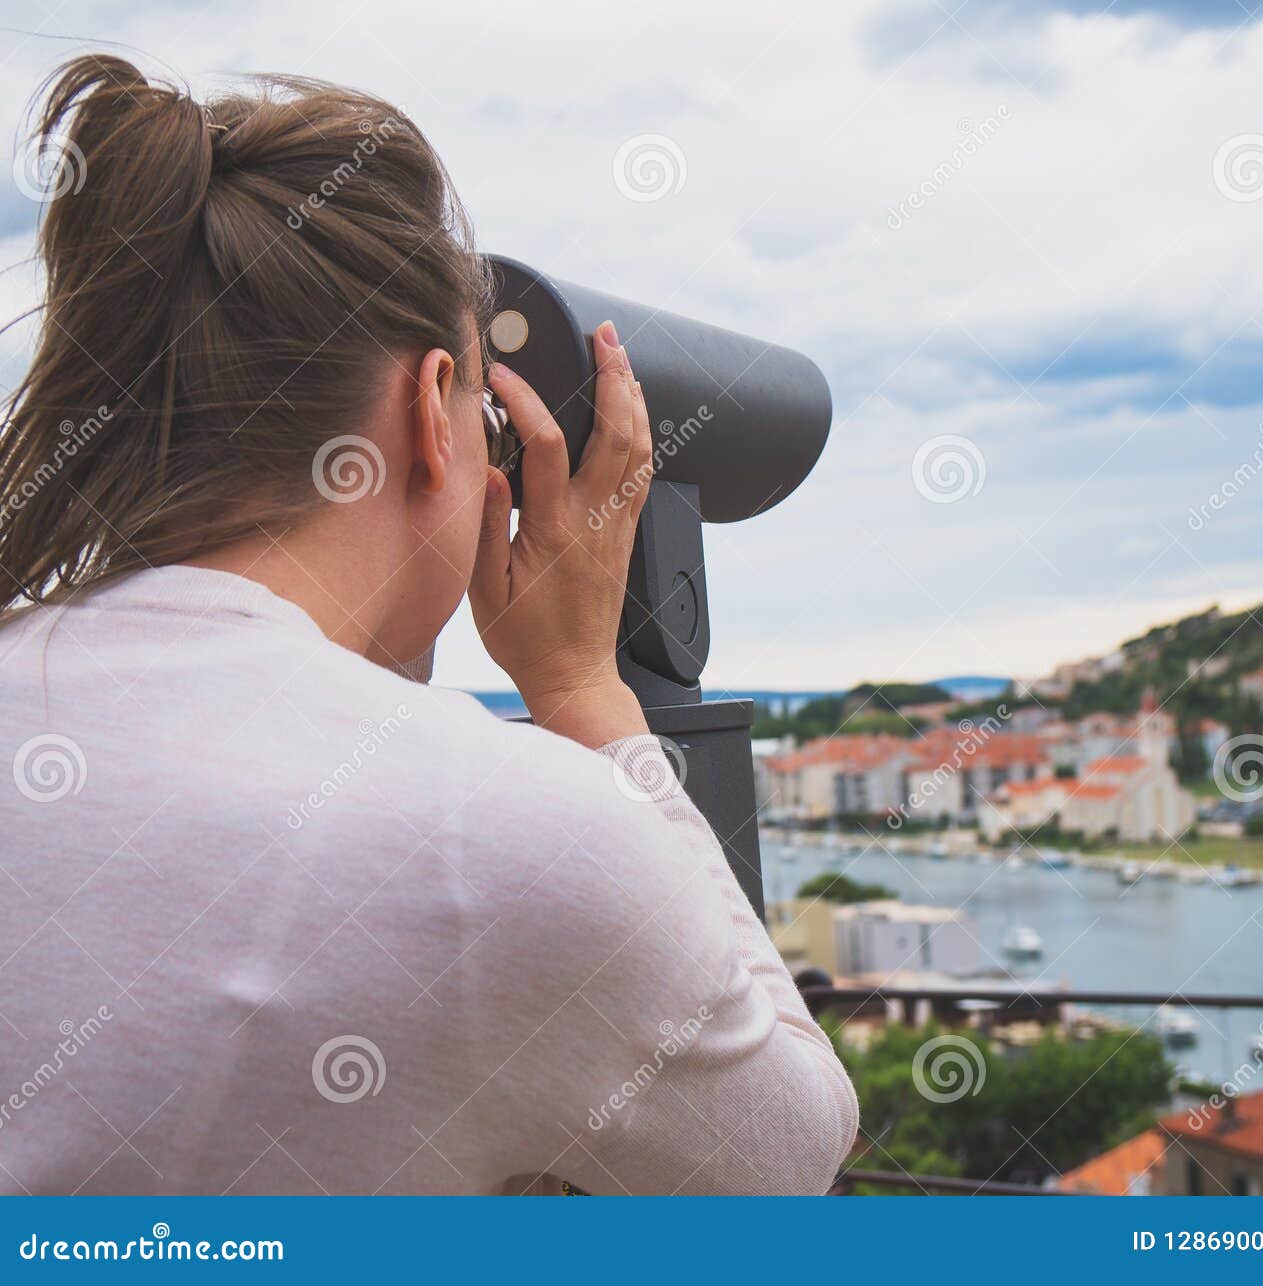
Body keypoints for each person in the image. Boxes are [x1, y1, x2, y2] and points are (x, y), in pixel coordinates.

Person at [0, 54, 857, 1195]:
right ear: (429, 407)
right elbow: (783, 1158)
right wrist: (583, 690)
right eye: (479, 416)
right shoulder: (505, 834)